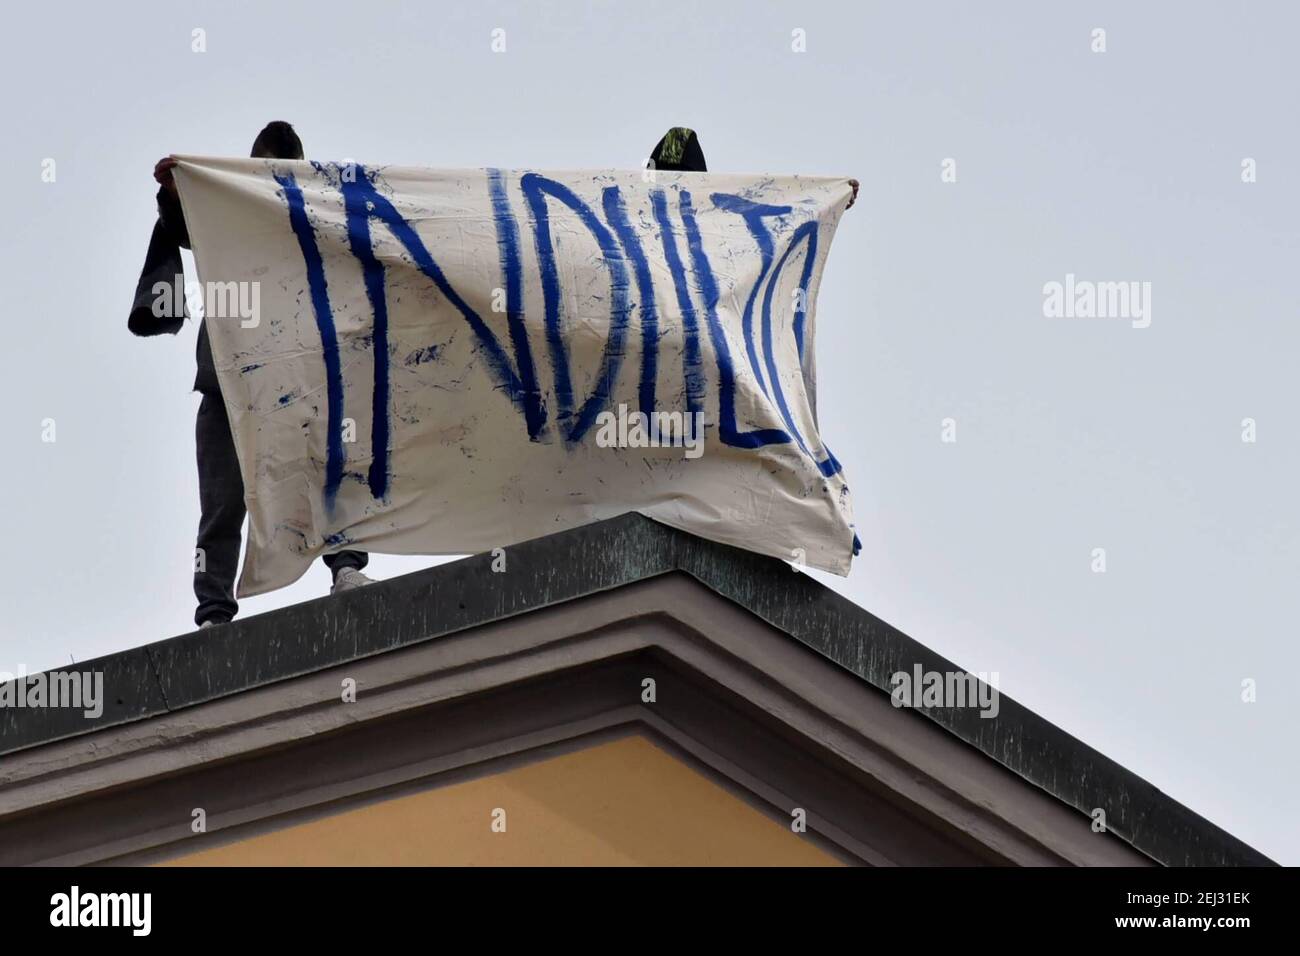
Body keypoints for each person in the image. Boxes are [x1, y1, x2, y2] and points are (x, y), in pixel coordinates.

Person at [129, 121, 375, 629]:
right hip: (227, 381)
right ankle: (214, 612)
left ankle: (345, 568)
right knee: (223, 505)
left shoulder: (312, 218)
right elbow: (180, 225)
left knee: (326, 475)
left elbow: (367, 249)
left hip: (294, 373)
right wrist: (176, 195)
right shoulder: (226, 212)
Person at [647, 125, 859, 207]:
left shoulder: (718, 217)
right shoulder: (630, 213)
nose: (675, 190)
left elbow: (782, 211)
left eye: (683, 181)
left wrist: (831, 198)